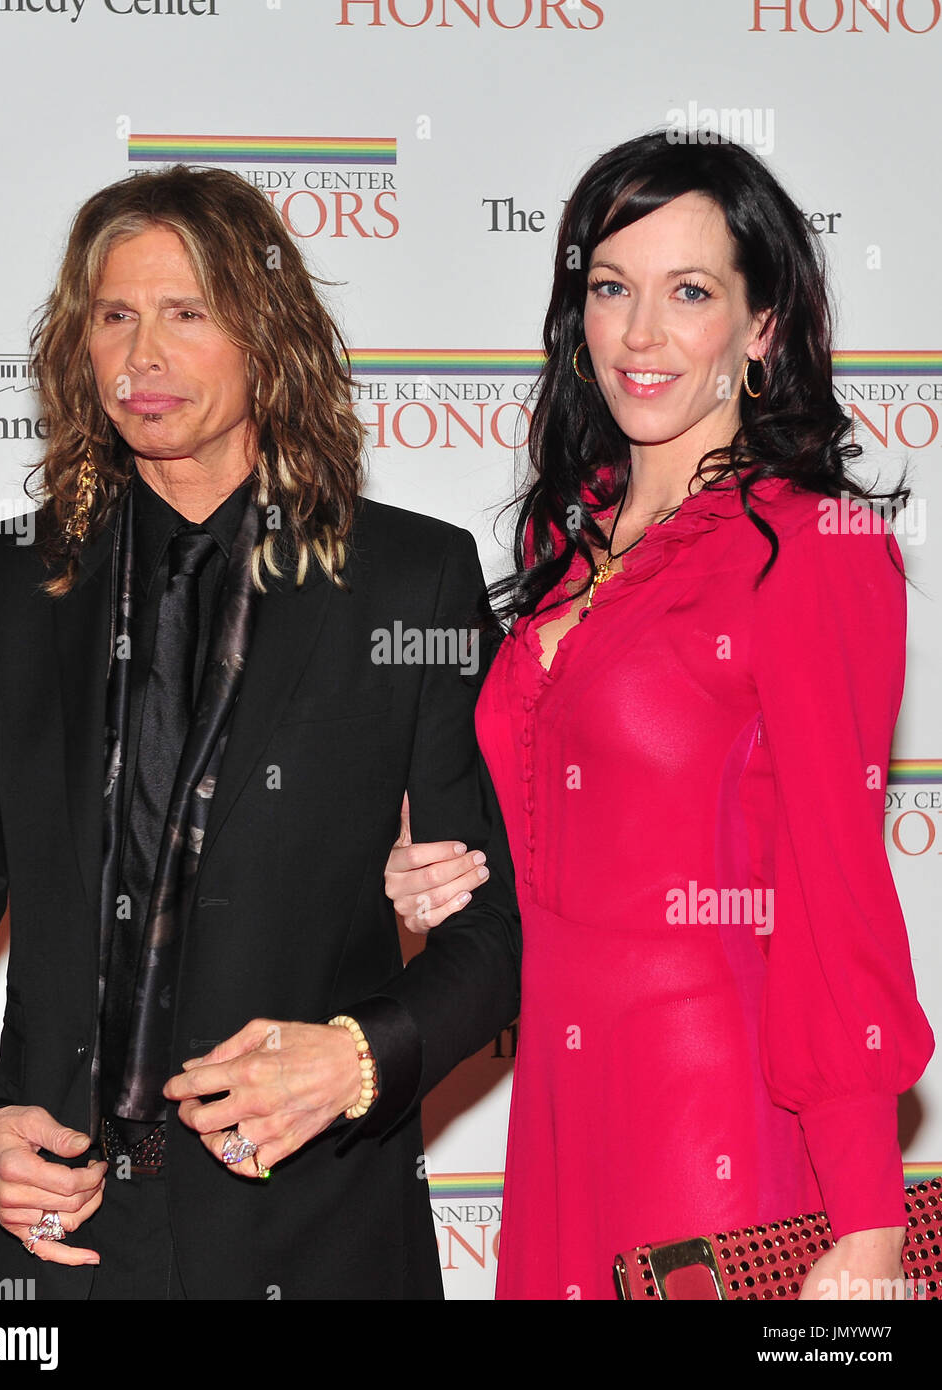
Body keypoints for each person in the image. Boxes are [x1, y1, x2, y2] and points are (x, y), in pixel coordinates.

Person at [0, 165, 520, 1300]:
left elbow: (495, 929)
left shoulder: (408, 580)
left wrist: (353, 1056)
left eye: (188, 313)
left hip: (318, 1227)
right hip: (61, 1241)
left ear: (266, 336)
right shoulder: (4, 584)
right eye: (114, 316)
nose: (142, 357)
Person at [384, 130, 935, 1300]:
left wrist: (869, 1218)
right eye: (611, 289)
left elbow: (834, 884)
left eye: (689, 293)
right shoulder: (565, 546)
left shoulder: (810, 549)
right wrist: (449, 872)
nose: (640, 334)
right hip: (562, 1107)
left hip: (717, 1115)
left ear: (762, 326)